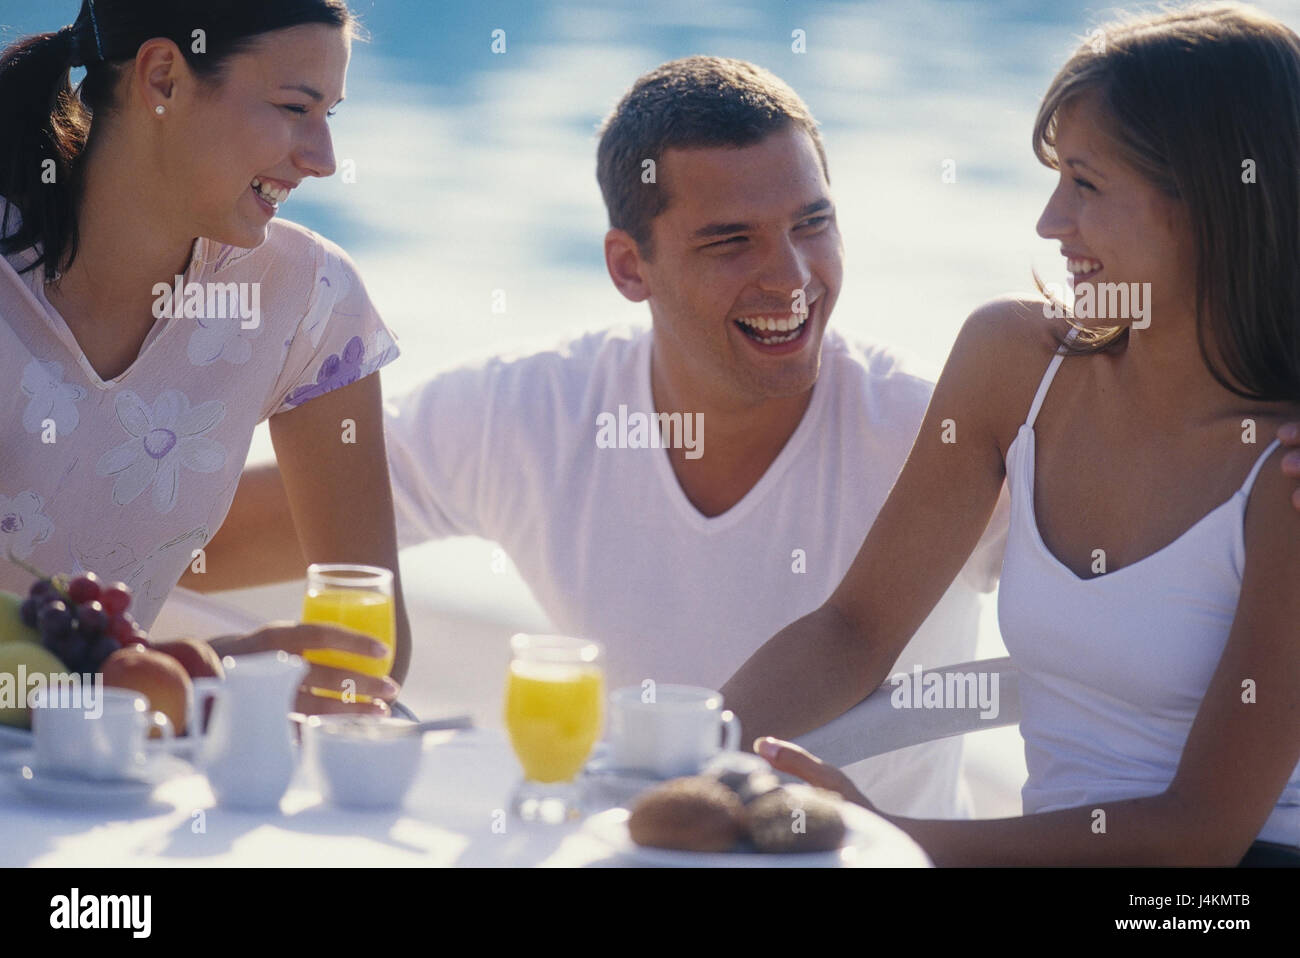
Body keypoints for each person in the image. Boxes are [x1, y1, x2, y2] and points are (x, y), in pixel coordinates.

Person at [190, 56, 1012, 819]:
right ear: (629, 268)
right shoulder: (531, 412)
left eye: (812, 224)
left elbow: (1117, 631)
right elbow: (199, 540)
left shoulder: (932, 431)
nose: (792, 277)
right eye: (732, 241)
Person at [724, 2, 1300, 866]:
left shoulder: (1284, 471)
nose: (1049, 222)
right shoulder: (1013, 362)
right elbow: (854, 627)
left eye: (1086, 183)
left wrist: (878, 840)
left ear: (1212, 201)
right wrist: (690, 757)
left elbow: (1201, 835)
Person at [0, 0, 408, 714]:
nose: (323, 160)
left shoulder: (307, 300)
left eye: (330, 117)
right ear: (162, 77)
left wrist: (203, 688)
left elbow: (367, 648)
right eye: (292, 107)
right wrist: (200, 674)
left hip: (102, 783)